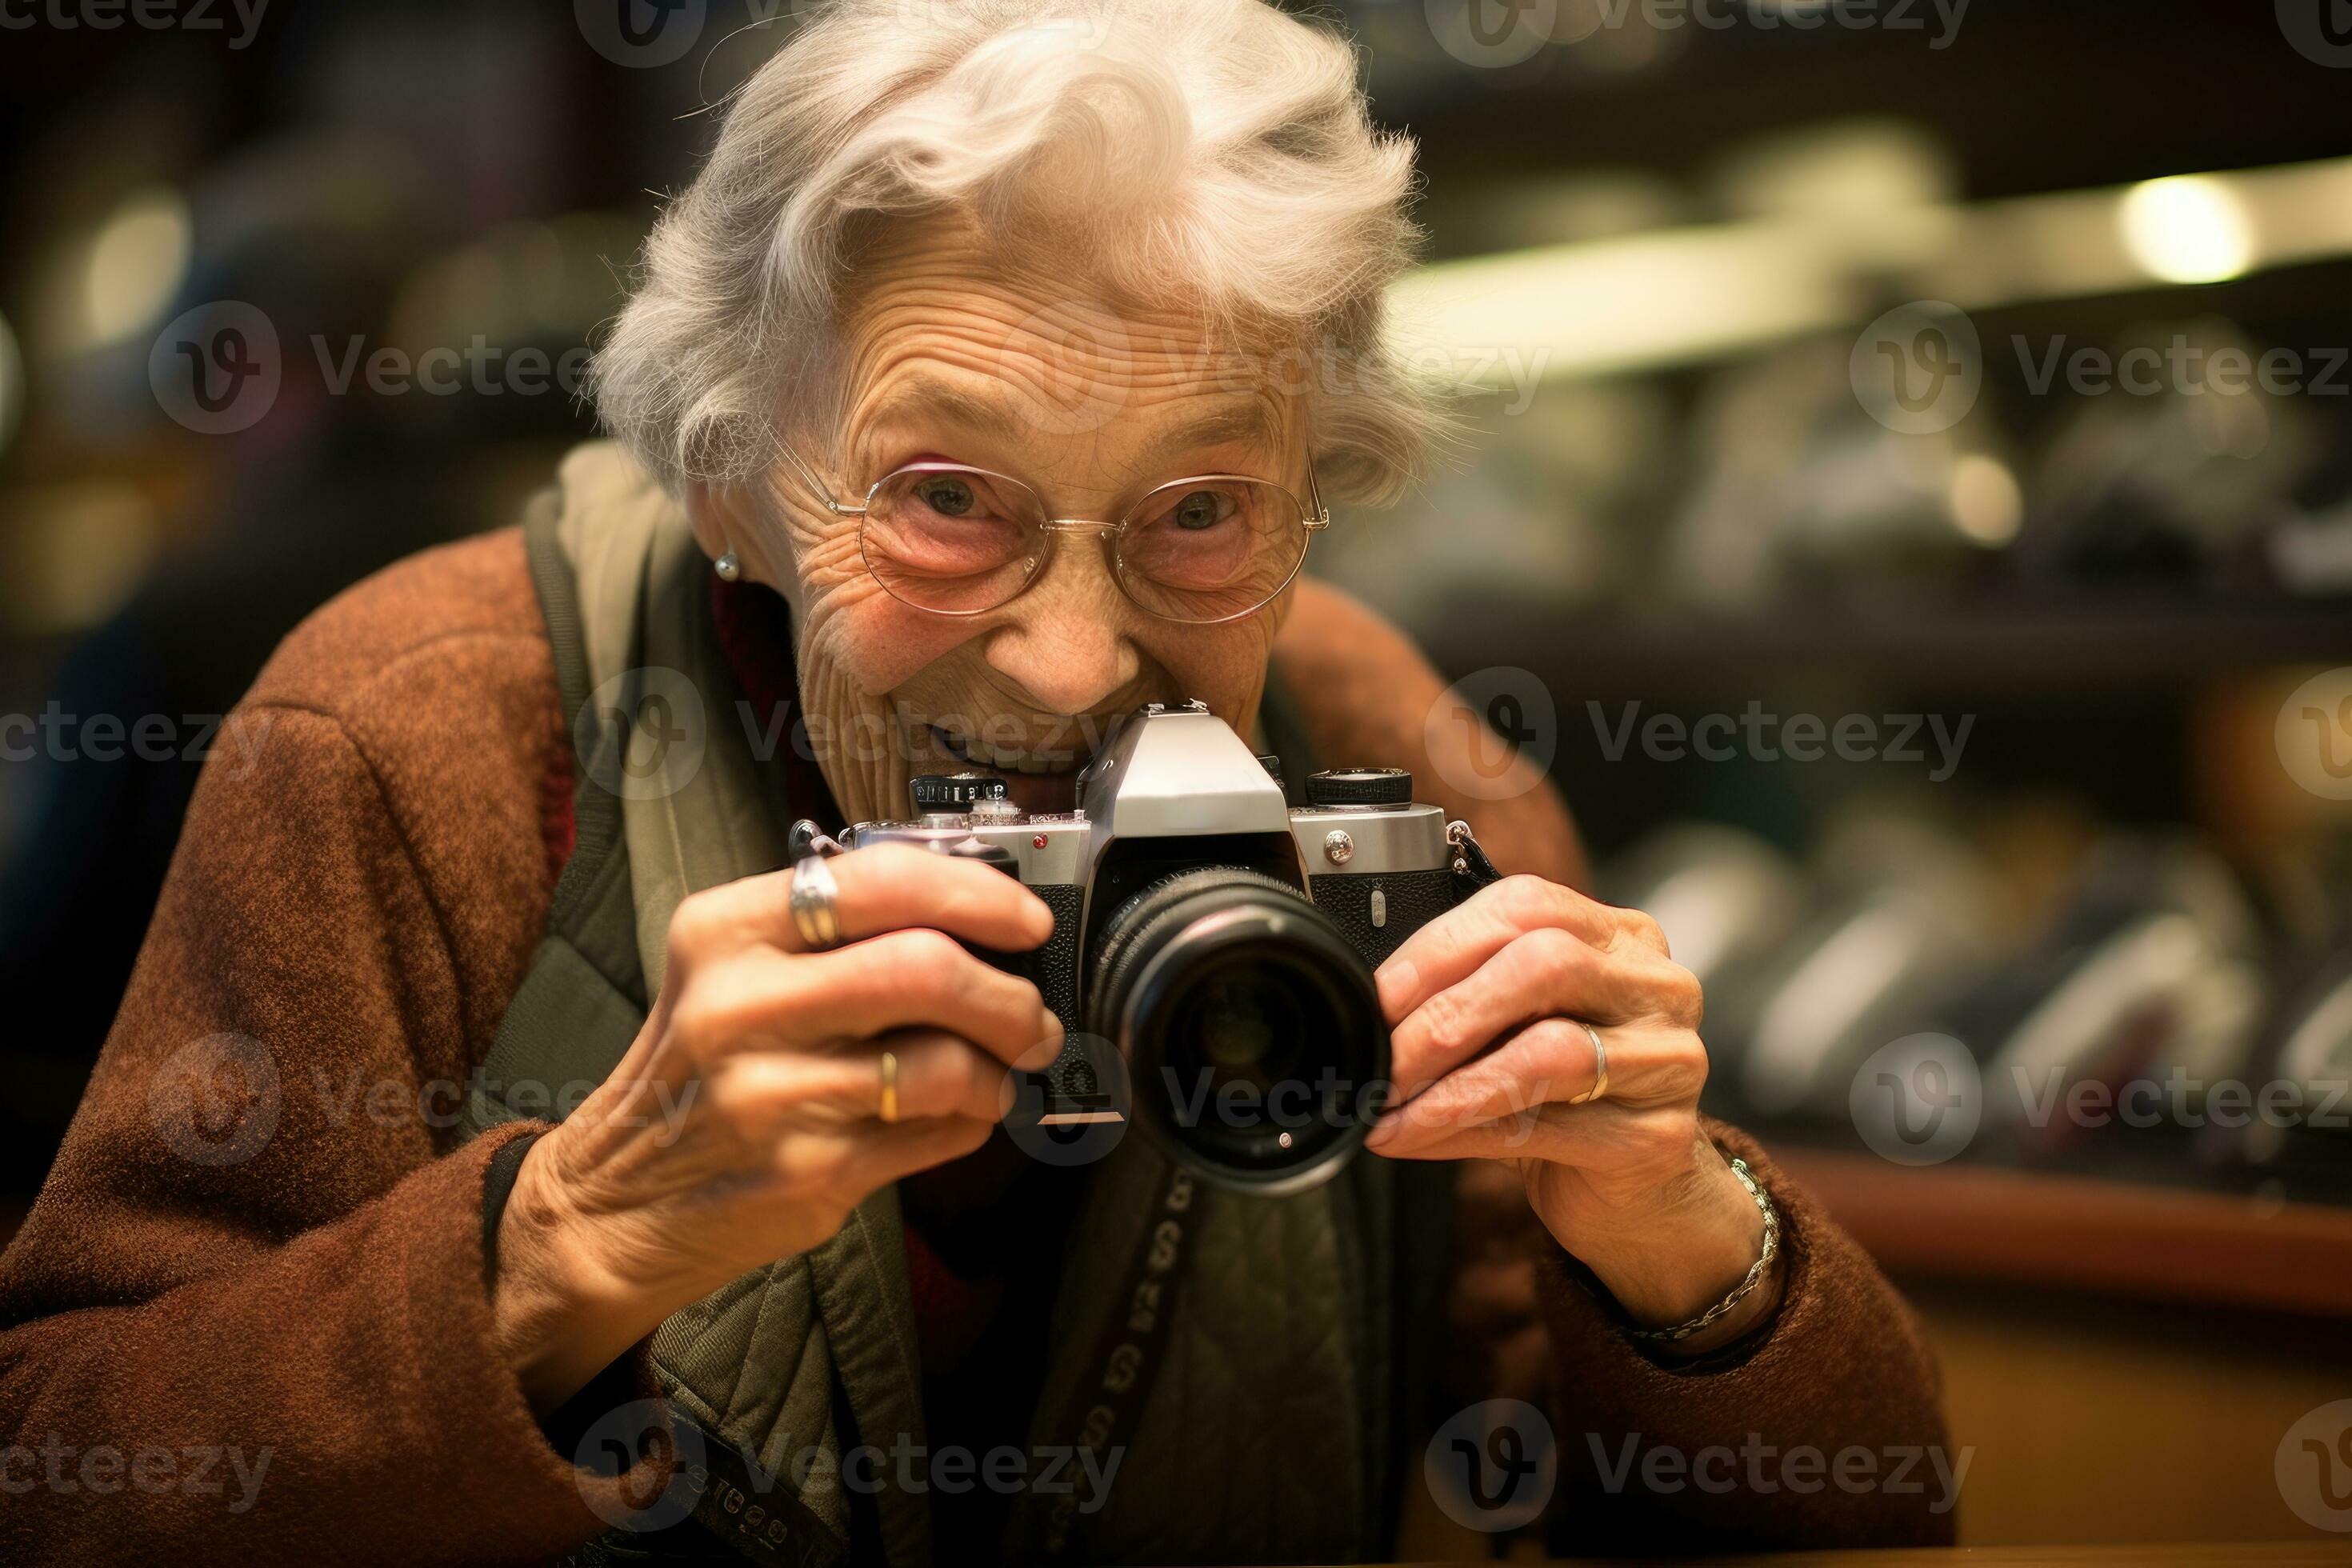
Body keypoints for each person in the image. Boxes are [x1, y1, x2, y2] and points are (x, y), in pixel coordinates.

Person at [0, 2, 1950, 1562]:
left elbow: (1820, 1511)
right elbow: (56, 1463)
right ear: (731, 475)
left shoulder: (1395, 757)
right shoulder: (425, 736)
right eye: (947, 499)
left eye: (1204, 511)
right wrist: (564, 1240)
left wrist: (1687, 1244)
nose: (1074, 660)